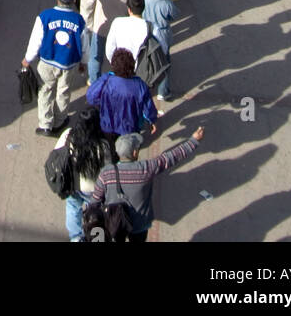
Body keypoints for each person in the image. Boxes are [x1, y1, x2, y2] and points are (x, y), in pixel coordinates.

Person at [86, 126, 204, 242]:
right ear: (135, 152)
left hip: (114, 223)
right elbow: (171, 157)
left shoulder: (106, 172)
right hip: (140, 224)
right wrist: (193, 141)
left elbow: (95, 201)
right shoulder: (145, 169)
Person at [22, 0, 89, 136]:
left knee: (45, 89)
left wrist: (27, 59)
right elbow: (85, 45)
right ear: (74, 1)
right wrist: (83, 63)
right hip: (69, 63)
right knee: (63, 91)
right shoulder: (78, 20)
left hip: (47, 61)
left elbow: (36, 41)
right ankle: (59, 121)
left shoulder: (45, 16)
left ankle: (45, 124)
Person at [54, 109, 116, 242]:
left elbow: (57, 153)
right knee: (95, 215)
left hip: (73, 185)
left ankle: (76, 237)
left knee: (72, 208)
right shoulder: (102, 144)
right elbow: (108, 168)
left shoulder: (68, 136)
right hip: (94, 189)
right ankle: (95, 237)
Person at [85, 48, 158, 143]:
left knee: (110, 151)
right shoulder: (140, 85)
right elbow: (148, 108)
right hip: (130, 129)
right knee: (129, 153)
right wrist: (152, 120)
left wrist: (102, 102)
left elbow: (91, 97)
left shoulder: (106, 80)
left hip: (108, 126)